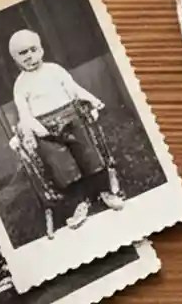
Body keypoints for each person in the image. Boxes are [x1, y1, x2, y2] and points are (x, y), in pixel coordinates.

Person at [8, 29, 123, 231]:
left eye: (32, 50)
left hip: (71, 118)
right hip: (46, 128)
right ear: (15, 59)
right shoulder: (21, 85)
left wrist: (93, 100)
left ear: (41, 49)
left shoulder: (54, 70)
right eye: (22, 53)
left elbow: (74, 88)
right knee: (63, 167)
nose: (29, 56)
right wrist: (38, 128)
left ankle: (105, 193)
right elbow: (24, 113)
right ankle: (80, 204)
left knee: (89, 156)